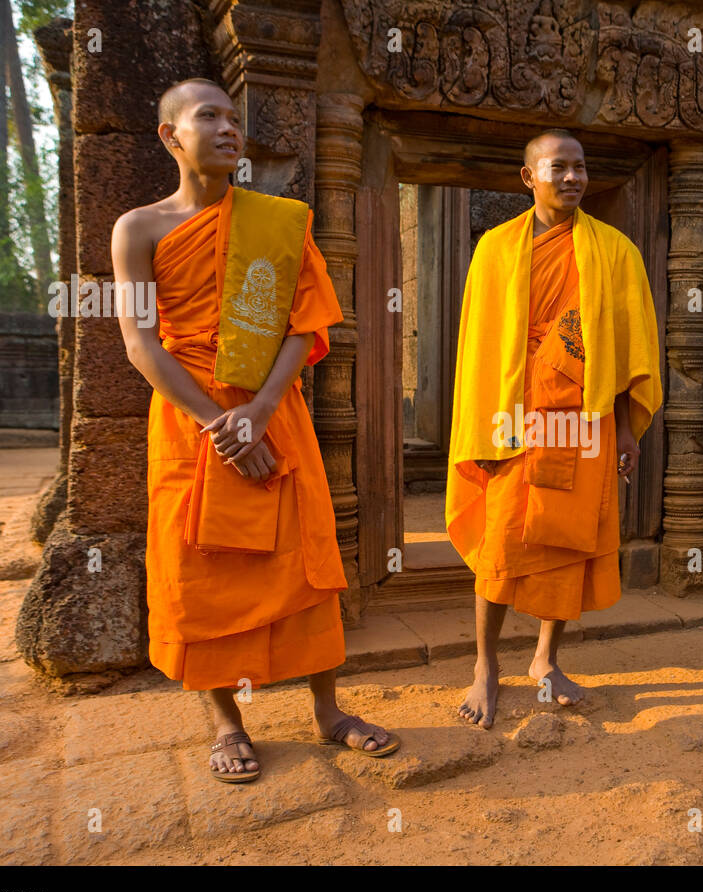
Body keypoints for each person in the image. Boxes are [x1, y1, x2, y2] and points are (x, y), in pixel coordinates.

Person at [111, 77, 398, 783]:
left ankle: (329, 711)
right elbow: (140, 344)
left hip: (275, 412)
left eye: (234, 118)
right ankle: (226, 724)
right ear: (170, 136)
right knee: (198, 568)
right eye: (208, 116)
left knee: (304, 561)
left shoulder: (278, 221)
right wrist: (219, 424)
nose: (228, 128)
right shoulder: (139, 228)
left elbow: (308, 323)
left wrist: (264, 409)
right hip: (190, 421)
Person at [446, 129, 662, 729]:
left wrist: (625, 431)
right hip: (513, 421)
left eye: (580, 168)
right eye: (558, 167)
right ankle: (485, 665)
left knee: (568, 542)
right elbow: (479, 350)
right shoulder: (494, 249)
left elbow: (626, 350)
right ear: (528, 176)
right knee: (500, 546)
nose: (571, 178)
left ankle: (545, 659)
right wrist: (480, 433)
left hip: (586, 419)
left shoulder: (616, 251)